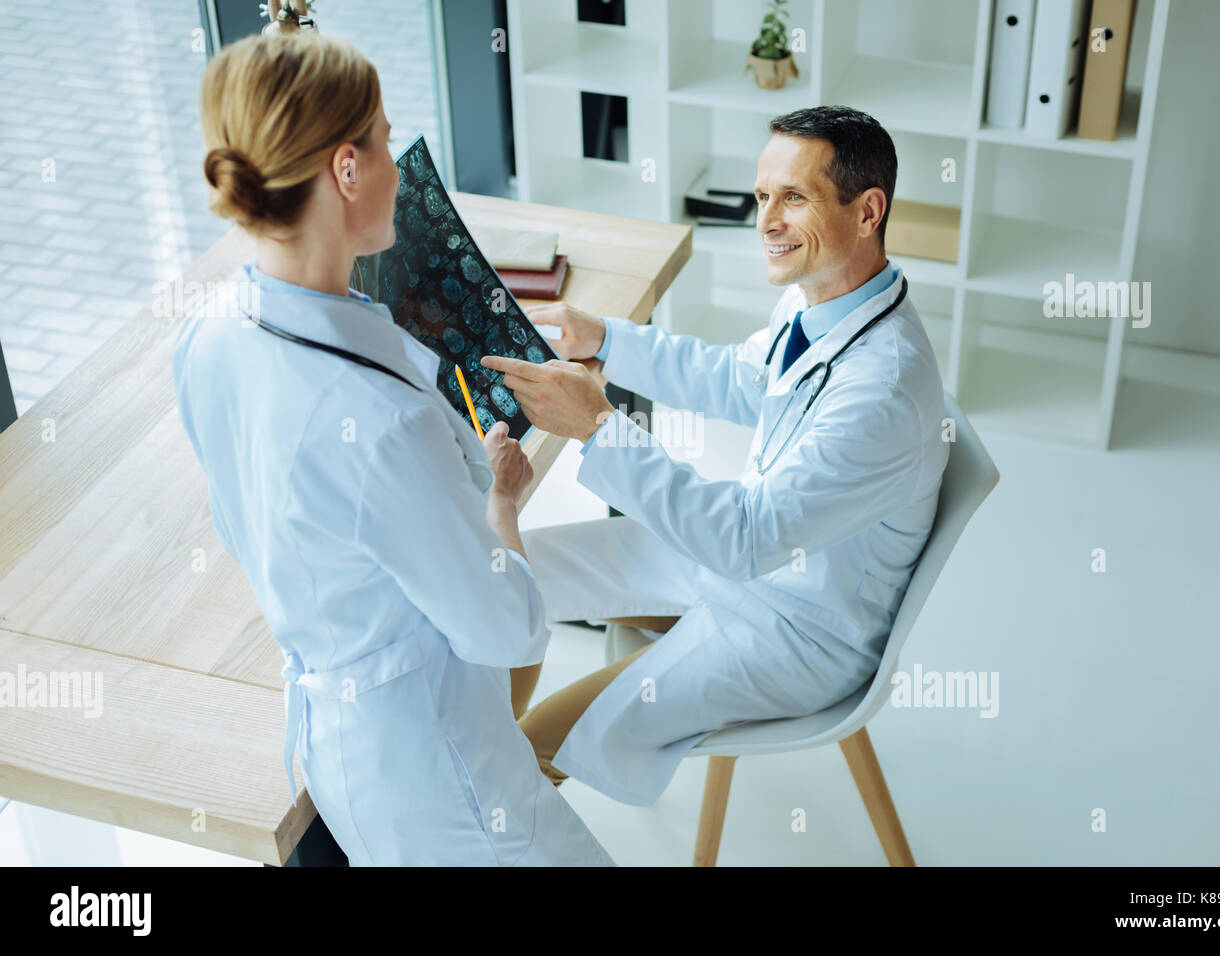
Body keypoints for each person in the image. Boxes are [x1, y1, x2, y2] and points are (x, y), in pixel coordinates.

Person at [172, 29, 612, 865]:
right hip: (441, 772)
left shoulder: (204, 334)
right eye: (381, 142)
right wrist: (499, 504)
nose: (398, 168)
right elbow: (509, 631)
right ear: (345, 170)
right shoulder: (380, 426)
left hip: (348, 756)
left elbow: (243, 523)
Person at [483, 105, 949, 806]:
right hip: (752, 561)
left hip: (795, 631)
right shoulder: (819, 300)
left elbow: (743, 540)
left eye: (794, 197)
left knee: (529, 751)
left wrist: (599, 425)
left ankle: (497, 771)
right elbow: (739, 378)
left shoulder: (882, 393)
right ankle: (476, 725)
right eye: (763, 196)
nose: (765, 221)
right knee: (513, 576)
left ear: (867, 211)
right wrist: (603, 336)